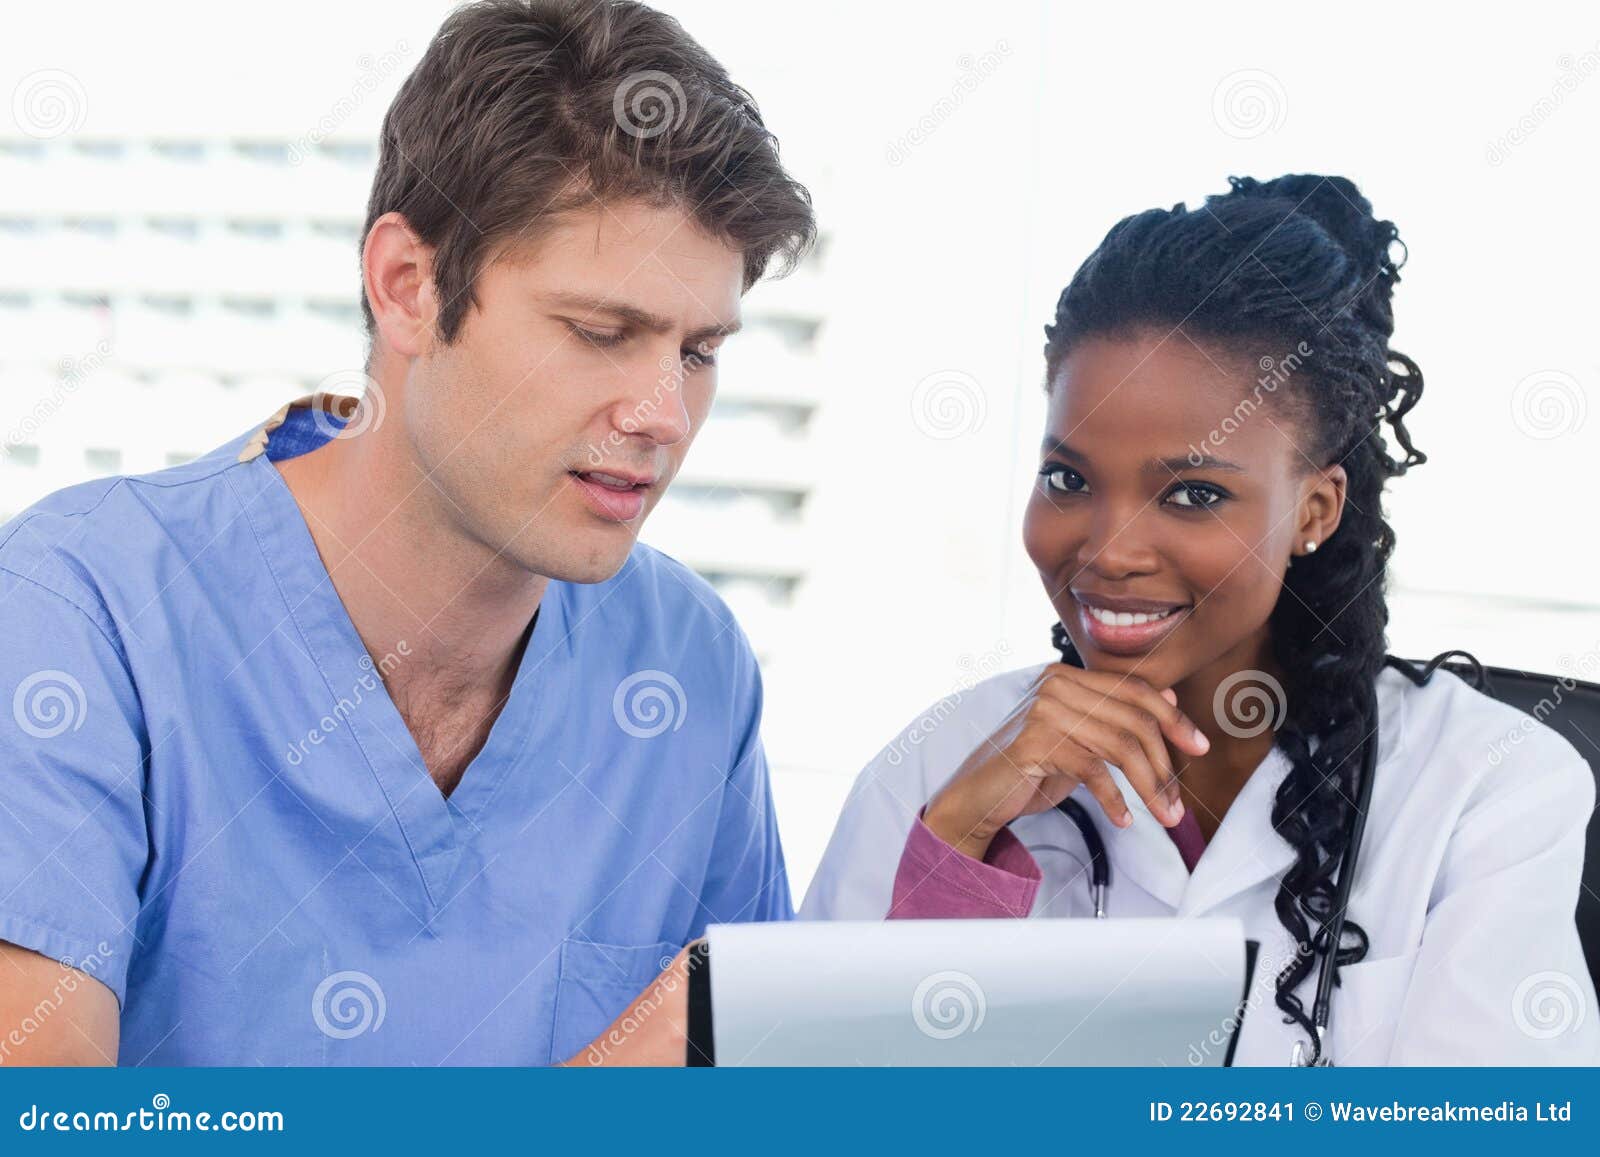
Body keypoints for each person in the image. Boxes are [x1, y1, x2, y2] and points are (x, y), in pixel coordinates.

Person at [0, 0, 817, 1066]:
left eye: (699, 350)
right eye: (601, 334)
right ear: (409, 287)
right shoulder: (85, 612)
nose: (662, 413)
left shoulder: (686, 665)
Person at [802, 174, 1600, 1066]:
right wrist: (954, 850)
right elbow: (803, 1116)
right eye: (1068, 478)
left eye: (1192, 494)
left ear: (1315, 509)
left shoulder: (1484, 787)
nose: (1109, 551)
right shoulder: (939, 768)